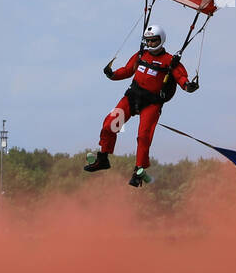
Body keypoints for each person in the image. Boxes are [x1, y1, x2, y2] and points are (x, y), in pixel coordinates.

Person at [84, 24, 198, 186]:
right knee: (110, 124)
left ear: (161, 40)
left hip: (152, 103)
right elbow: (127, 70)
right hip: (131, 98)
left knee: (144, 137)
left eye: (154, 41)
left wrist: (189, 86)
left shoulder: (170, 61)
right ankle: (103, 159)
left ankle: (138, 171)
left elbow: (182, 79)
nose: (150, 44)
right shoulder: (140, 55)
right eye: (148, 41)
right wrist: (112, 74)